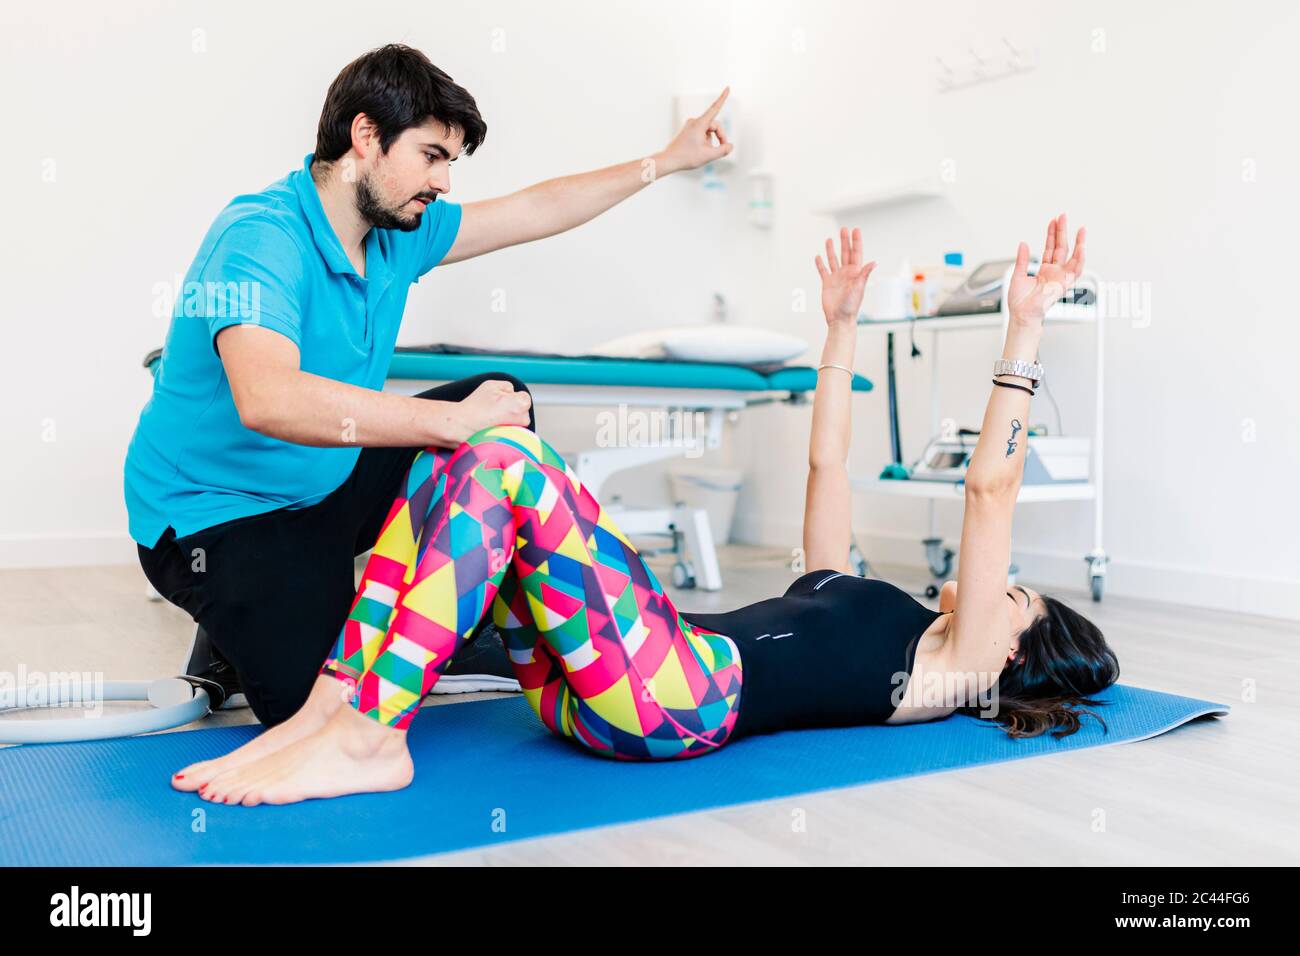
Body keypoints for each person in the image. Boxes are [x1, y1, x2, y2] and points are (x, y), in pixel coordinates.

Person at [171, 214, 1120, 807]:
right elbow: (826, 462)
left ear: (1012, 651)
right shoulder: (883, 610)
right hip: (603, 685)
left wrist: (1024, 331)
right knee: (456, 450)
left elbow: (990, 488)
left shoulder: (954, 673)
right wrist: (839, 331)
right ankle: (337, 708)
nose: (992, 587)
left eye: (1015, 596)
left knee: (508, 458)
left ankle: (370, 736)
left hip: (674, 698)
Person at [127, 44, 734, 726]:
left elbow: (537, 208)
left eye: (451, 161)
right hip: (216, 520)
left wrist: (668, 159)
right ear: (365, 137)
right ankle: (229, 628)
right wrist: (447, 423)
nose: (444, 181)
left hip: (323, 488)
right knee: (313, 710)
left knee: (500, 399)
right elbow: (268, 399)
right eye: (432, 155)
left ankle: (452, 618)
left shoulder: (397, 231)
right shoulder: (260, 238)